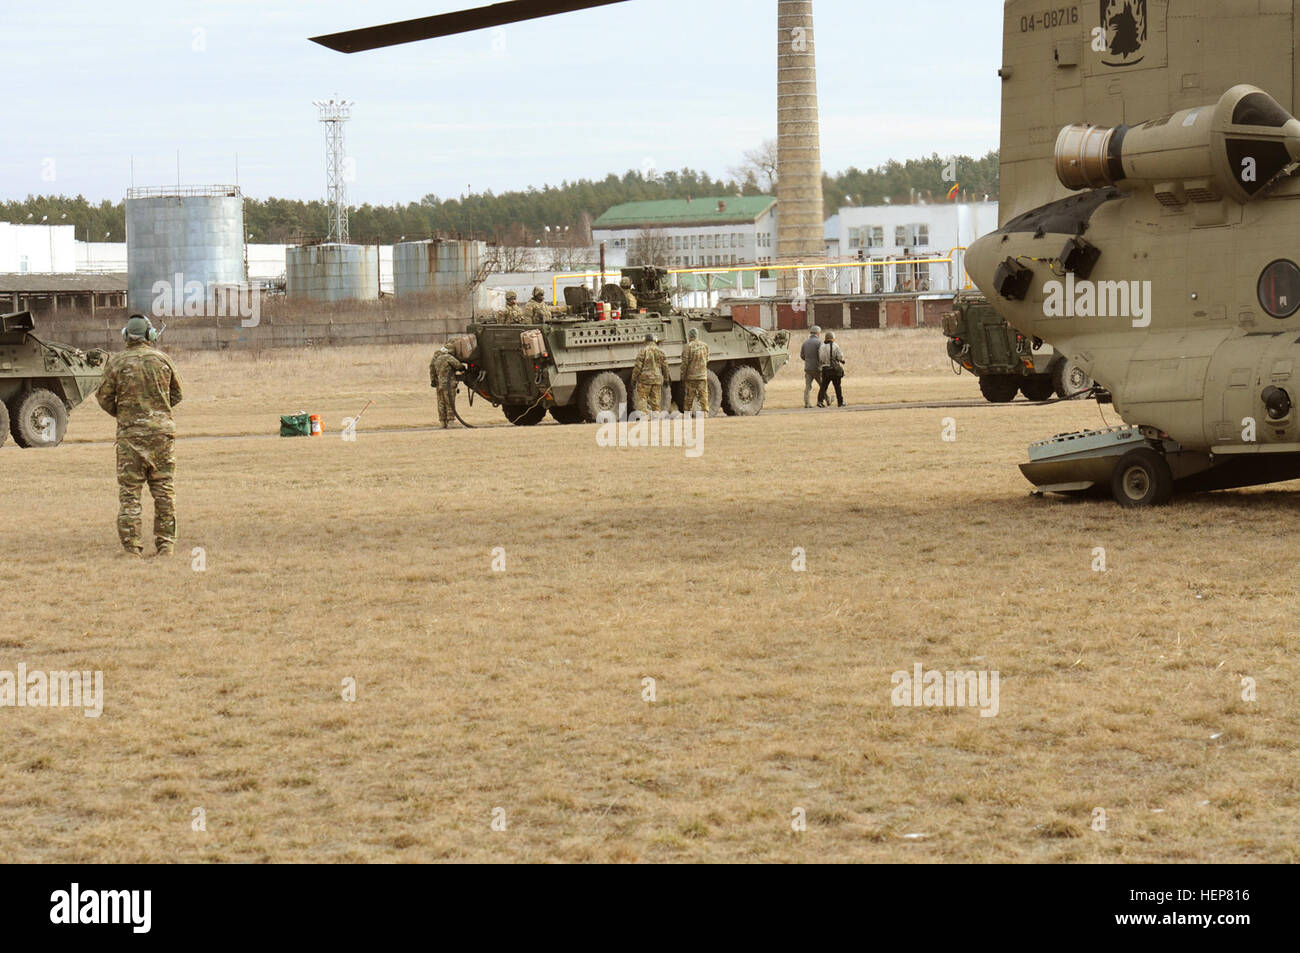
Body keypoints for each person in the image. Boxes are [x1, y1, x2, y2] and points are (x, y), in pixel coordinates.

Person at [95, 314, 183, 558]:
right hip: (162, 436)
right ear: (150, 336)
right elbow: (176, 395)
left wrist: (125, 414)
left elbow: (103, 398)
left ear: (126, 336)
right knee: (164, 490)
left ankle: (132, 548)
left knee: (130, 494)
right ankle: (166, 546)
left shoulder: (117, 363)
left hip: (129, 438)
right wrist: (158, 412)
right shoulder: (163, 360)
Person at [630, 333, 667, 416]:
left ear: (645, 341)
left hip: (644, 380)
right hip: (657, 379)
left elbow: (637, 367)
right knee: (656, 401)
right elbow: (665, 367)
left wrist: (633, 379)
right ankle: (656, 417)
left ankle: (644, 417)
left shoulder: (643, 351)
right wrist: (667, 378)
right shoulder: (661, 351)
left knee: (642, 399)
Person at [429, 345, 465, 429]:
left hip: (439, 385)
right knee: (450, 402)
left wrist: (433, 381)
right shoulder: (448, 357)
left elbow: (432, 370)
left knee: (441, 403)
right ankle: (451, 422)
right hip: (449, 385)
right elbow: (459, 366)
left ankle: (442, 422)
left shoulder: (437, 359)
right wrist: (463, 369)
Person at [681, 327, 710, 415]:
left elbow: (685, 363)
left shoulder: (687, 346)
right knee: (703, 395)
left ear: (690, 336)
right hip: (702, 375)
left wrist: (683, 376)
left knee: (689, 396)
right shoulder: (705, 345)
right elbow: (707, 359)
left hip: (691, 376)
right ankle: (705, 413)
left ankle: (687, 414)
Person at [817, 331, 847, 408]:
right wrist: (841, 360)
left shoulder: (822, 346)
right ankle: (840, 402)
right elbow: (840, 356)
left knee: (824, 386)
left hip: (825, 368)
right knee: (837, 386)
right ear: (832, 338)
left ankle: (820, 401)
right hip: (834, 369)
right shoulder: (835, 345)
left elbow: (820, 358)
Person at [800, 325, 822, 408]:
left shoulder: (805, 343)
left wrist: (808, 361)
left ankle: (807, 403)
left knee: (808, 387)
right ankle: (827, 400)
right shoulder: (819, 342)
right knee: (822, 385)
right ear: (817, 333)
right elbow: (821, 355)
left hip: (808, 368)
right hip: (817, 368)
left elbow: (802, 355)